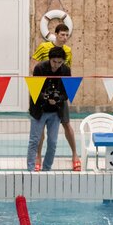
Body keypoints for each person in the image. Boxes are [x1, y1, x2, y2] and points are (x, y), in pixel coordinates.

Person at [32, 24, 81, 171]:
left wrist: (62, 95)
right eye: (62, 35)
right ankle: (38, 157)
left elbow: (67, 73)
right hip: (44, 92)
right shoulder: (44, 47)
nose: (65, 38)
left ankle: (75, 155)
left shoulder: (68, 51)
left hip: (59, 94)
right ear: (56, 34)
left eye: (67, 35)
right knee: (40, 127)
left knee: (66, 123)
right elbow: (34, 65)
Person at [27, 46, 71, 172]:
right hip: (39, 111)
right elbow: (34, 91)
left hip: (55, 112)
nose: (56, 65)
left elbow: (67, 93)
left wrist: (57, 99)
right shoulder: (40, 68)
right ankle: (30, 170)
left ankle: (47, 170)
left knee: (52, 143)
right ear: (49, 59)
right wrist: (47, 98)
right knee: (34, 141)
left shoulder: (66, 70)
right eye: (54, 62)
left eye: (60, 62)